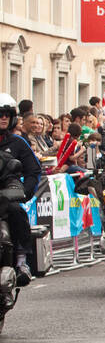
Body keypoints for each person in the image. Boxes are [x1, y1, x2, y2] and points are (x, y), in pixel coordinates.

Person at [0, 94, 40, 285]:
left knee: (17, 211)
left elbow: (33, 170)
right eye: (0, 114)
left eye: (7, 114)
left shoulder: (18, 143)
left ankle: (22, 261)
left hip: (9, 191)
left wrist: (25, 192)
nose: (4, 118)